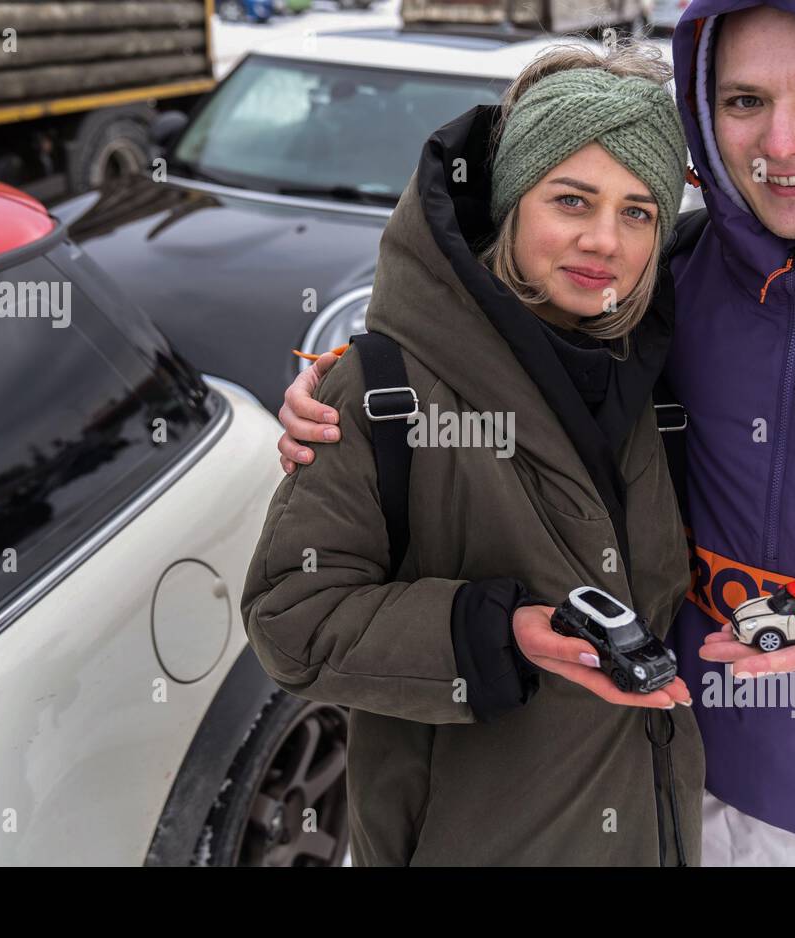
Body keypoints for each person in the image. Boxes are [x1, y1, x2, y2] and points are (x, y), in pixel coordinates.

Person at [276, 1, 795, 866]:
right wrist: (355, 388)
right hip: (651, 780)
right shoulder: (670, 267)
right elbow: (517, 343)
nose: (781, 144)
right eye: (745, 100)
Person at [241, 41, 706, 866]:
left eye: (638, 211)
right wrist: (492, 637)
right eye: (572, 199)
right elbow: (293, 619)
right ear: (514, 199)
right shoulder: (384, 388)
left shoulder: (660, 377)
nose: (605, 240)